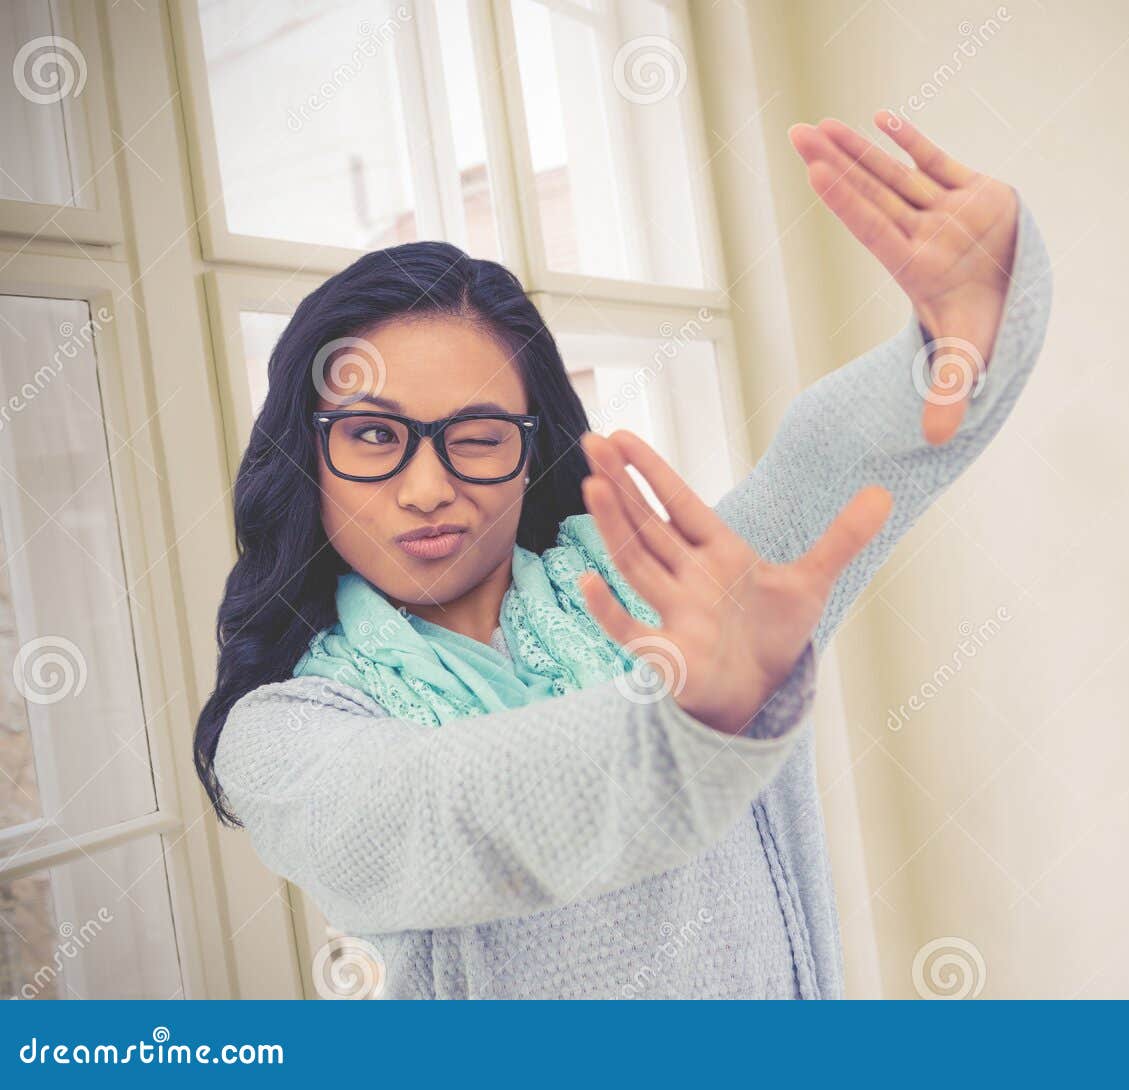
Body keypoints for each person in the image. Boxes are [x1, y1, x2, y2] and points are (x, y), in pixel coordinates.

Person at [194, 113, 1052, 998]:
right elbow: (440, 812)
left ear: (531, 450)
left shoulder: (672, 587)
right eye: (374, 435)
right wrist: (689, 721)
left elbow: (822, 464)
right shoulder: (282, 735)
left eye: (477, 435)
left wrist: (958, 344)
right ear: (306, 452)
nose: (425, 488)